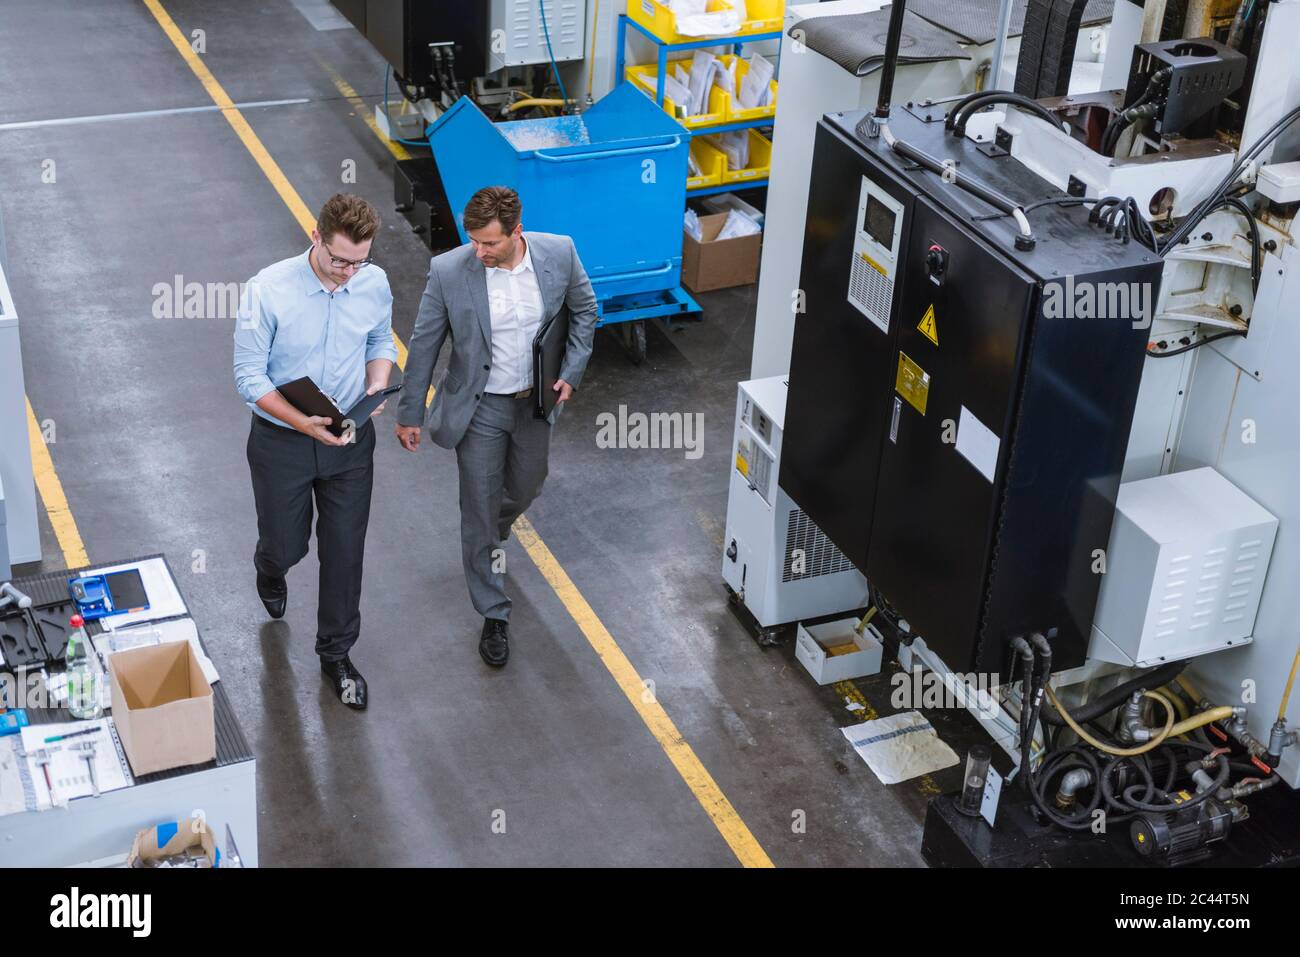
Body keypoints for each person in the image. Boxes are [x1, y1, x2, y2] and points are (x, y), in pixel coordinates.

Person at [395, 186, 597, 668]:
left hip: (535, 404)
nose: (479, 251)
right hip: (479, 407)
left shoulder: (559, 253)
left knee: (527, 485)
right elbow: (424, 343)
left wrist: (571, 371)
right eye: (474, 241)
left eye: (489, 243)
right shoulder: (450, 271)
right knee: (478, 506)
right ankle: (493, 610)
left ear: (517, 232)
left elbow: (586, 310)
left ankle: (490, 528)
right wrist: (410, 413)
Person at [233, 193, 396, 710]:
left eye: (359, 260)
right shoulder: (269, 290)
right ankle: (270, 565)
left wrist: (376, 384)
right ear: (315, 238)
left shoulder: (373, 282)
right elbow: (248, 376)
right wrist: (302, 422)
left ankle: (336, 655)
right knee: (288, 544)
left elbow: (380, 340)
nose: (349, 271)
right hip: (283, 440)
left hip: (349, 437)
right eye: (339, 259)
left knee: (345, 551)